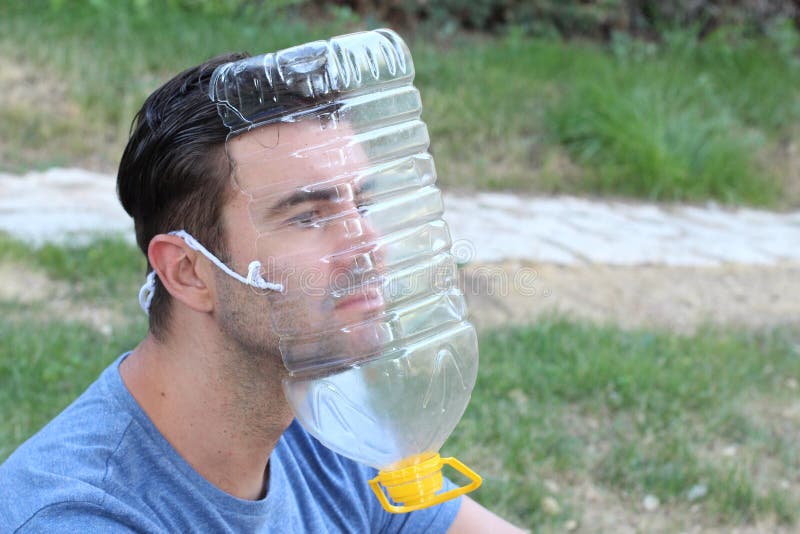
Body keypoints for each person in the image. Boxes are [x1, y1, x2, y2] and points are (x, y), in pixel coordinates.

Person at [0, 49, 525, 533]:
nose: (367, 247)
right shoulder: (80, 515)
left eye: (361, 205)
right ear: (186, 271)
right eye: (307, 216)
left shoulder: (337, 430)